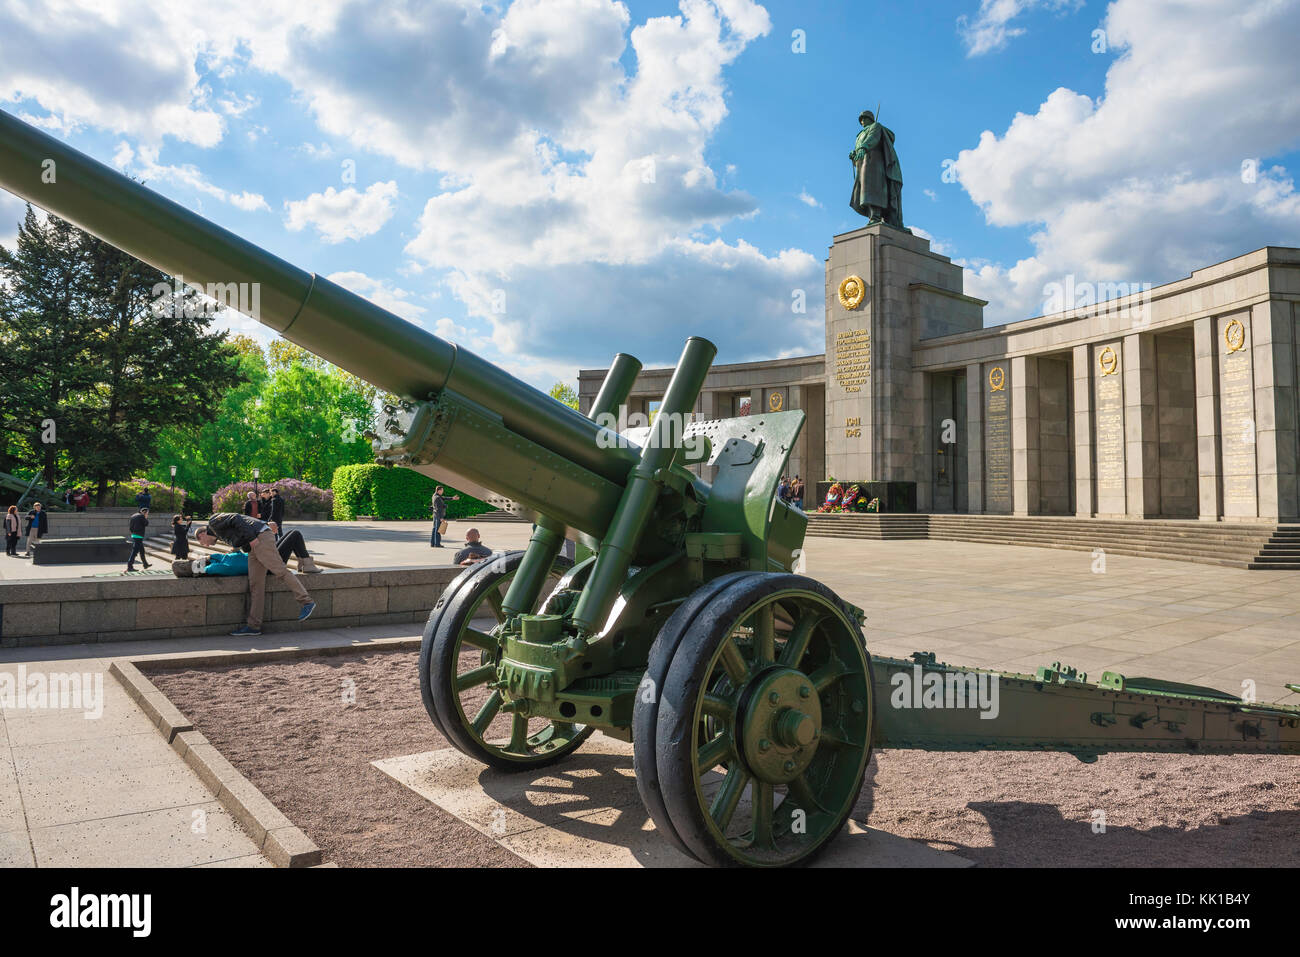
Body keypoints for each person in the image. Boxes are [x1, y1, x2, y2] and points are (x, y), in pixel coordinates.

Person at [194, 513, 315, 636]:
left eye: (203, 543)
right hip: (253, 546)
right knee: (256, 585)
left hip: (259, 538)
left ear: (202, 534)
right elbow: (243, 525)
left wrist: (252, 537)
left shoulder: (213, 522)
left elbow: (237, 518)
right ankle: (253, 626)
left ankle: (307, 601)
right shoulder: (220, 533)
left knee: (280, 571)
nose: (207, 545)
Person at [849, 109, 905, 229]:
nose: (862, 121)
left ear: (870, 118)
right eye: (861, 119)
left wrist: (863, 147)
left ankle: (876, 216)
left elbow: (872, 139)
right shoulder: (859, 135)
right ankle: (872, 216)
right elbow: (859, 149)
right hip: (862, 164)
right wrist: (854, 155)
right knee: (864, 191)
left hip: (873, 163)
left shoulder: (876, 126)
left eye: (864, 118)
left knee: (873, 189)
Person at [126, 507, 151, 571]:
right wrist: (145, 517)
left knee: (142, 550)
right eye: (147, 513)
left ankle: (145, 564)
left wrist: (133, 532)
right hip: (139, 536)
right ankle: (129, 566)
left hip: (134, 534)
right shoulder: (142, 516)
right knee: (135, 552)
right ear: (144, 512)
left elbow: (130, 527)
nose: (147, 515)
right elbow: (146, 523)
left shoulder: (133, 515)